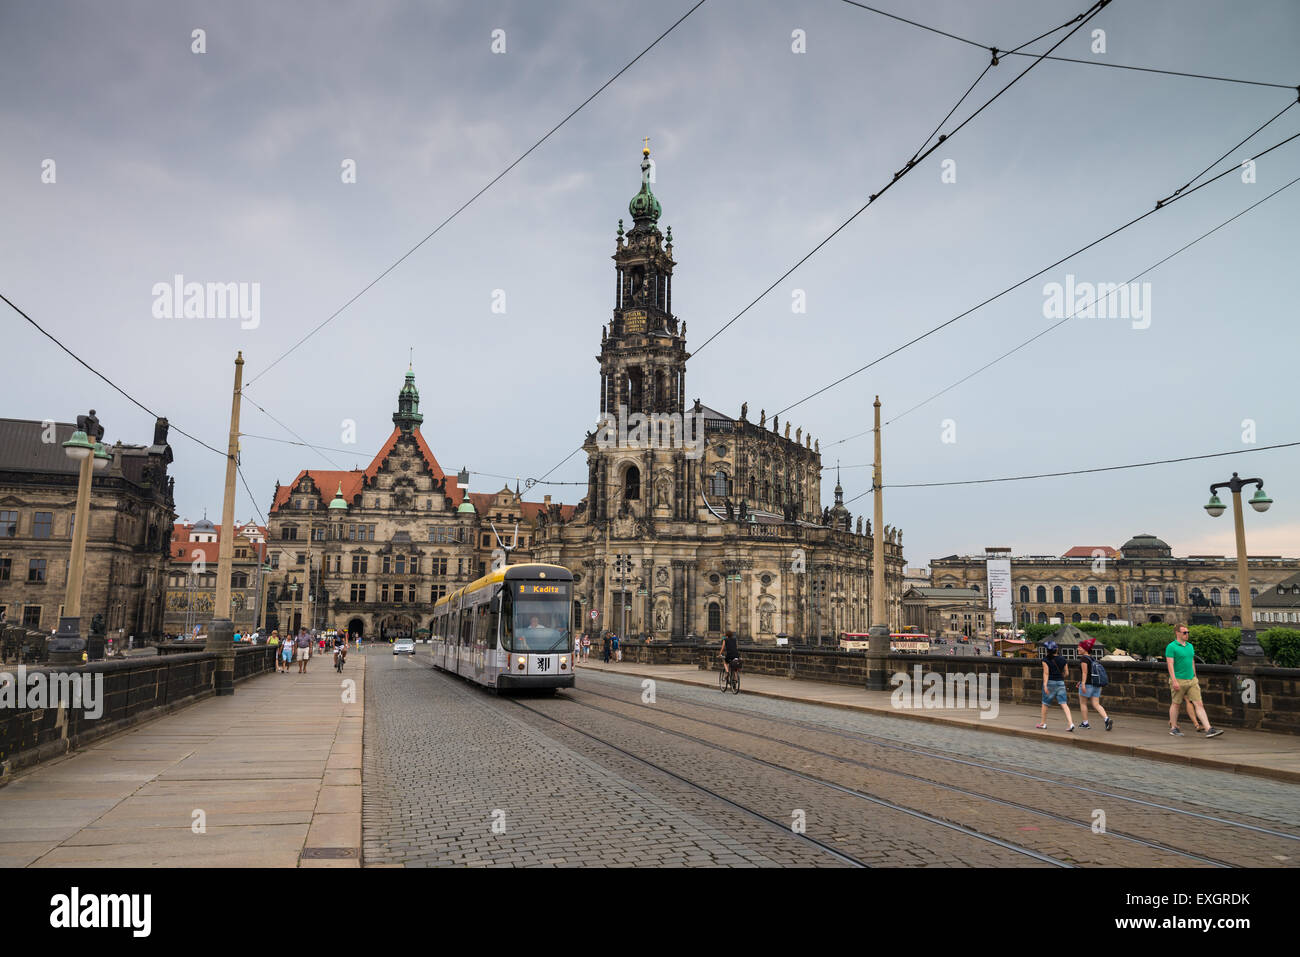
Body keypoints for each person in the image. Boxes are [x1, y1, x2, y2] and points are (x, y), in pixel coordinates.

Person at [1166, 624, 1223, 737]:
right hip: (1179, 679)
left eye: (1188, 632)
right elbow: (1170, 664)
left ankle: (1208, 729)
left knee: (1199, 703)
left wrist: (1195, 676)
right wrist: (1174, 680)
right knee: (1176, 704)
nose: (1187, 634)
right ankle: (1174, 727)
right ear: (1177, 633)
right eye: (1184, 632)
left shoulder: (1190, 646)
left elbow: (1192, 661)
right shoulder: (1171, 647)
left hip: (1191, 680)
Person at [1036, 640, 1074, 731]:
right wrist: (1061, 677)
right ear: (1056, 649)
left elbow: (1046, 673)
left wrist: (1045, 685)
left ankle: (1043, 723)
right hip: (1060, 683)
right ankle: (1071, 723)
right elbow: (1067, 673)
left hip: (1050, 683)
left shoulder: (1045, 660)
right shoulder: (1063, 659)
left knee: (1045, 704)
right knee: (1064, 704)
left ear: (1047, 650)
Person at [1076, 637, 1112, 731]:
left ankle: (1085, 723)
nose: (1078, 649)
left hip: (1087, 685)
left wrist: (1083, 684)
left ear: (1085, 649)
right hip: (1096, 684)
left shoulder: (1083, 659)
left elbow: (1085, 672)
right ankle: (1106, 719)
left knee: (1083, 703)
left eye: (1080, 647)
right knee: (1096, 704)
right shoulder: (1092, 658)